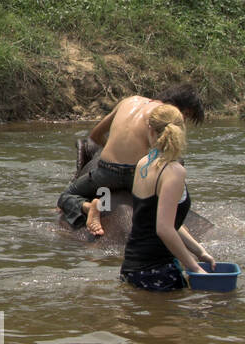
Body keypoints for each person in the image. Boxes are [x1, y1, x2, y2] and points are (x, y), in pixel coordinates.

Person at [58, 83, 205, 236]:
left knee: (66, 195)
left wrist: (116, 152)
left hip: (106, 172)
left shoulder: (129, 101)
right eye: (187, 116)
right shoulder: (166, 116)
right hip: (136, 176)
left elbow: (95, 135)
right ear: (183, 110)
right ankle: (178, 223)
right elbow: (166, 154)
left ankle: (87, 207)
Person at [119, 104, 215, 291]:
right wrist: (193, 267)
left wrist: (200, 252)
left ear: (150, 130)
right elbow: (164, 228)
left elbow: (161, 220)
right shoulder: (174, 171)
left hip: (131, 266)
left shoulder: (143, 164)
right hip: (157, 270)